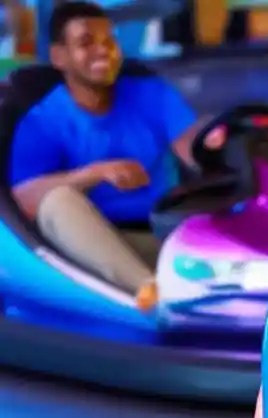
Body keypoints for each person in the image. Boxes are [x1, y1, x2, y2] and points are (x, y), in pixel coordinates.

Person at [9, 1, 206, 311]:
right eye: (86, 43)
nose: (103, 51)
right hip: (83, 252)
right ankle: (152, 296)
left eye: (109, 41)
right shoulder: (42, 120)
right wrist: (94, 173)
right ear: (59, 56)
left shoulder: (151, 93)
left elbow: (197, 152)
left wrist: (227, 149)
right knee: (56, 200)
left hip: (161, 238)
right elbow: (22, 200)